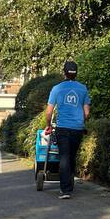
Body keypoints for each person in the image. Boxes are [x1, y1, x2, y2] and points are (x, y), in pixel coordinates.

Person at [43, 60, 90, 200]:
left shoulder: (56, 88)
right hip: (77, 129)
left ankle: (65, 190)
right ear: (76, 73)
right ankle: (69, 184)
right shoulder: (83, 89)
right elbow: (87, 113)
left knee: (64, 157)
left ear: (64, 73)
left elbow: (49, 111)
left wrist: (48, 125)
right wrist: (81, 121)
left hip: (62, 128)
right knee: (71, 156)